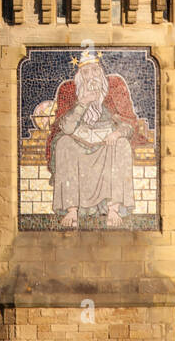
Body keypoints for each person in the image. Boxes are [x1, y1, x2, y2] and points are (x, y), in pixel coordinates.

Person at [48, 50, 137, 228]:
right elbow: (65, 128)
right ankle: (72, 210)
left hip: (107, 142)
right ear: (80, 76)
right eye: (86, 72)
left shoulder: (115, 87)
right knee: (64, 143)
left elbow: (129, 122)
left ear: (101, 71)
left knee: (122, 145)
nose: (91, 76)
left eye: (95, 70)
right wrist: (82, 103)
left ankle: (113, 209)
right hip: (79, 142)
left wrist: (117, 133)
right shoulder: (69, 90)